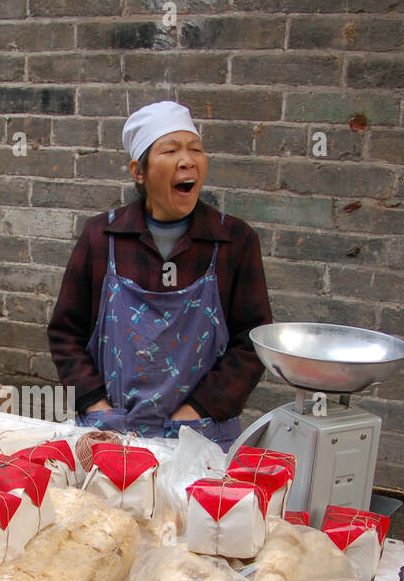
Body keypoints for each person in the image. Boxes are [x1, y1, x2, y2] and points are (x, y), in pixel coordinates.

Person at [48, 100, 272, 447]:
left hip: (200, 437)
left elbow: (253, 341)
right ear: (139, 171)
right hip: (110, 434)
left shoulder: (233, 241)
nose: (188, 160)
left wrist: (198, 410)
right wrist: (96, 405)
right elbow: (66, 332)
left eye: (195, 149)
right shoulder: (101, 237)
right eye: (170, 150)